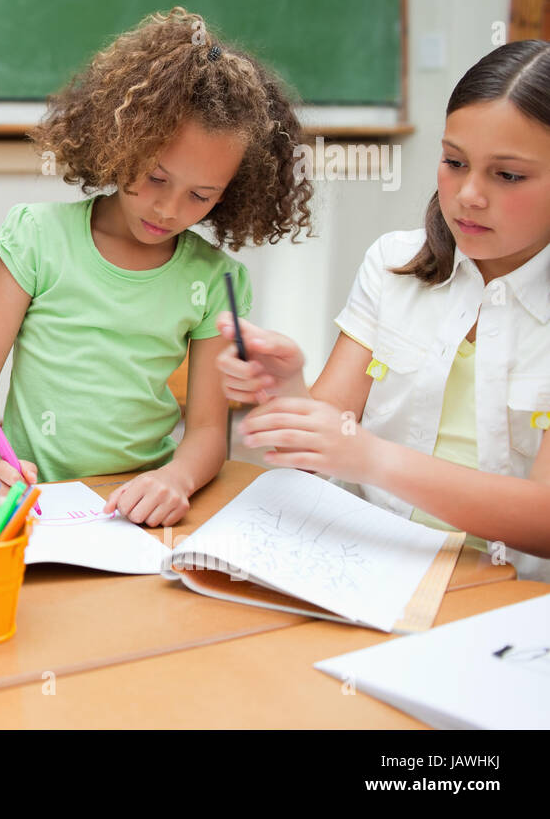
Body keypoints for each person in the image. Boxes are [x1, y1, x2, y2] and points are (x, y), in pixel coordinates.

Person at [0, 8, 313, 527]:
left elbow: (209, 432)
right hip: (34, 496)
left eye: (201, 196)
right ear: (123, 143)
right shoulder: (37, 236)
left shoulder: (215, 280)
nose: (168, 209)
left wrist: (176, 479)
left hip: (135, 507)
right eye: (155, 177)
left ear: (233, 194)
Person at [219, 40, 550, 580]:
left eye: (507, 175)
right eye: (454, 162)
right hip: (368, 570)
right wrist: (287, 391)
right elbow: (315, 454)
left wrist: (369, 457)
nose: (469, 194)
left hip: (507, 602)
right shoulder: (393, 263)